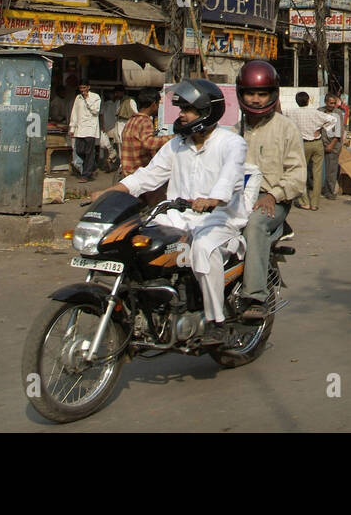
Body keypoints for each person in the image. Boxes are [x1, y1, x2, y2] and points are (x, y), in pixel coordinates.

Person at [91, 79, 249, 345]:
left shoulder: (231, 142)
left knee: (203, 248)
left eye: (188, 110)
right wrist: (112, 191)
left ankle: (215, 321)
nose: (182, 115)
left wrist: (213, 199)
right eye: (181, 109)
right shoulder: (177, 144)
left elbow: (230, 176)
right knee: (136, 242)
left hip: (219, 219)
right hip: (175, 216)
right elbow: (148, 176)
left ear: (207, 112)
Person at [235, 61, 306, 323]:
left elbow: (298, 176)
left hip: (272, 201)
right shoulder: (236, 129)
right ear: (240, 94)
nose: (255, 100)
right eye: (250, 93)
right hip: (238, 199)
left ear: (272, 94)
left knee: (254, 226)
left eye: (262, 94)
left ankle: (255, 296)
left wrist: (273, 195)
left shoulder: (285, 128)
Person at [282, 91, 333, 211]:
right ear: (308, 100)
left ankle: (304, 201)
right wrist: (321, 129)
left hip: (302, 144)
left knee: (301, 172)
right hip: (317, 143)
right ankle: (315, 203)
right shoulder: (316, 113)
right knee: (317, 173)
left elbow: (280, 114)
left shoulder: (292, 112)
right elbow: (332, 120)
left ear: (296, 101)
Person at [119, 89, 171, 177]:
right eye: (158, 104)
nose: (158, 108)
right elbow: (149, 143)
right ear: (154, 104)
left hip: (127, 171)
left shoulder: (131, 120)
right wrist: (172, 137)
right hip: (138, 173)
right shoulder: (145, 121)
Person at [69, 83, 102, 183]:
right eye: (80, 88)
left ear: (88, 87)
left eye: (84, 88)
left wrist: (87, 98)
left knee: (89, 152)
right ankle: (92, 165)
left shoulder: (95, 97)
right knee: (79, 150)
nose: (82, 90)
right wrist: (72, 128)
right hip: (80, 129)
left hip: (90, 129)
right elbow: (74, 113)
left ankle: (86, 175)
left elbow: (95, 111)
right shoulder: (78, 98)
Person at [321, 92, 345, 199]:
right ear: (326, 102)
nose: (332, 105)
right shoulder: (320, 111)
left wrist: (331, 144)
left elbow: (338, 131)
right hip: (321, 143)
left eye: (334, 103)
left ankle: (330, 192)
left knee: (331, 170)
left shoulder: (338, 112)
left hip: (333, 145)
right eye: (330, 103)